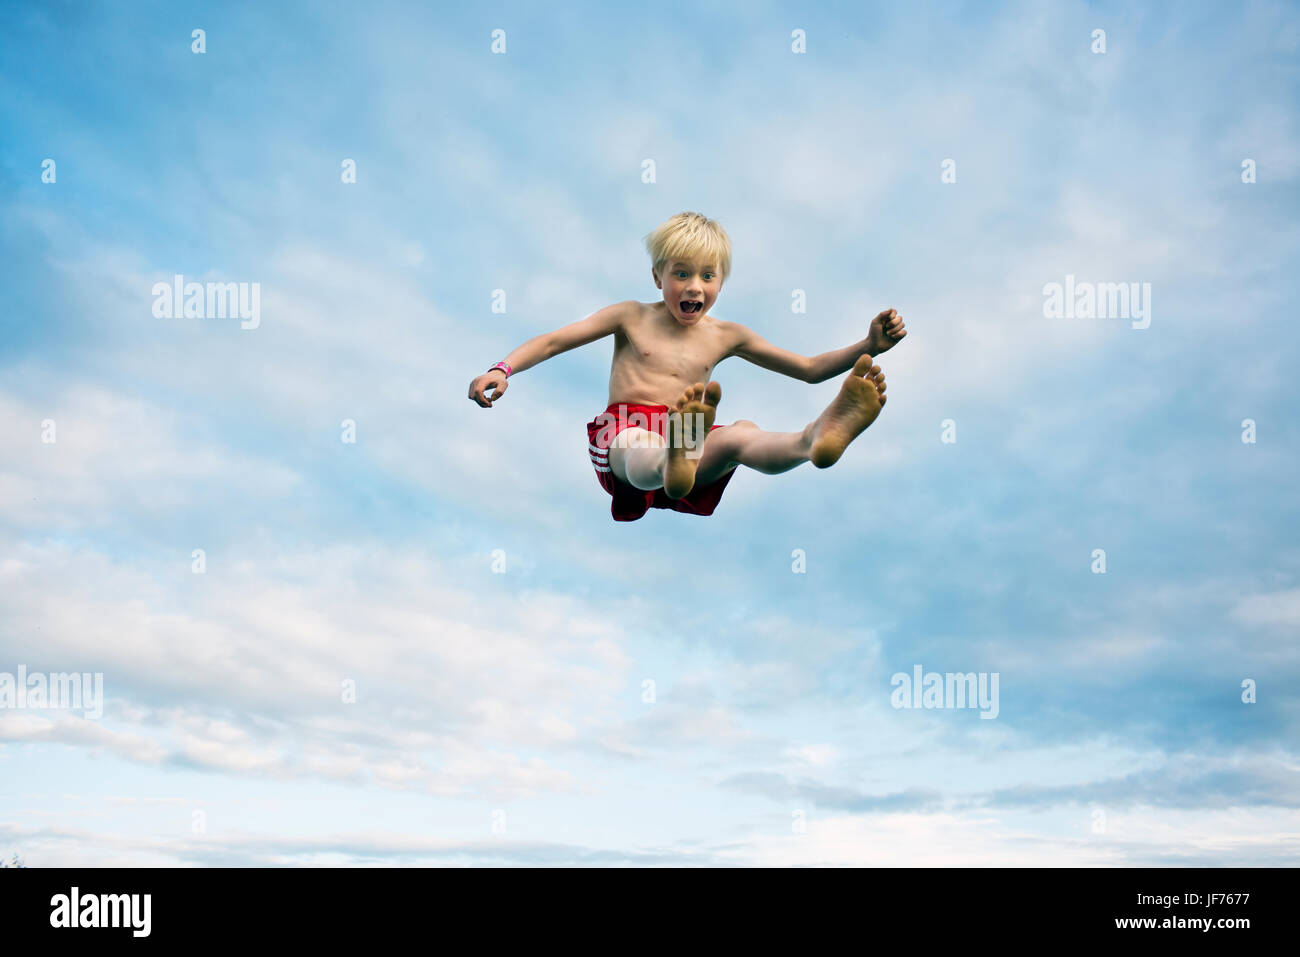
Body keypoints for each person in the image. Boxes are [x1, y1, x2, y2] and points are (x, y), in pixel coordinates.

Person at [467, 211, 906, 521]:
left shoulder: (726, 335)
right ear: (658, 276)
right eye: (681, 274)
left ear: (720, 282)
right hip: (628, 432)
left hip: (690, 438)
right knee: (640, 442)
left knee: (740, 436)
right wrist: (502, 369)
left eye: (707, 276)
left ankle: (813, 440)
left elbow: (808, 368)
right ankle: (671, 458)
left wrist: (869, 345)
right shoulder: (630, 316)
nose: (694, 286)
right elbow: (554, 340)